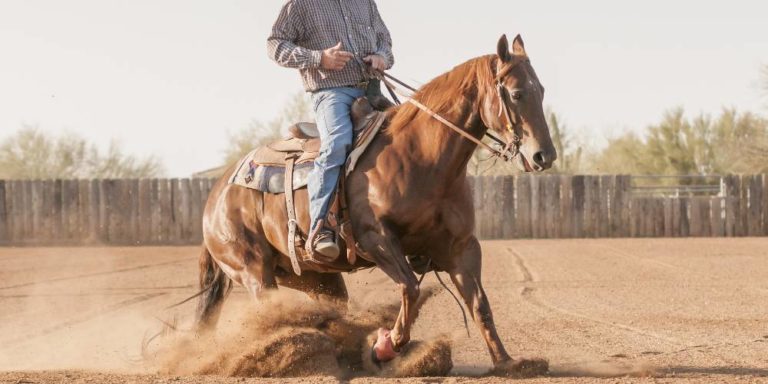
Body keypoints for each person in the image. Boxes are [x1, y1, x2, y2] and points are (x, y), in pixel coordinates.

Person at [267, 0, 394, 260]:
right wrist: (319, 58)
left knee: (411, 139)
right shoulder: (301, 5)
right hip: (331, 93)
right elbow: (275, 45)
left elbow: (385, 41)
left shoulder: (365, 3)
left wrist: (381, 57)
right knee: (337, 143)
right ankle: (320, 227)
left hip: (372, 90)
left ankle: (414, 224)